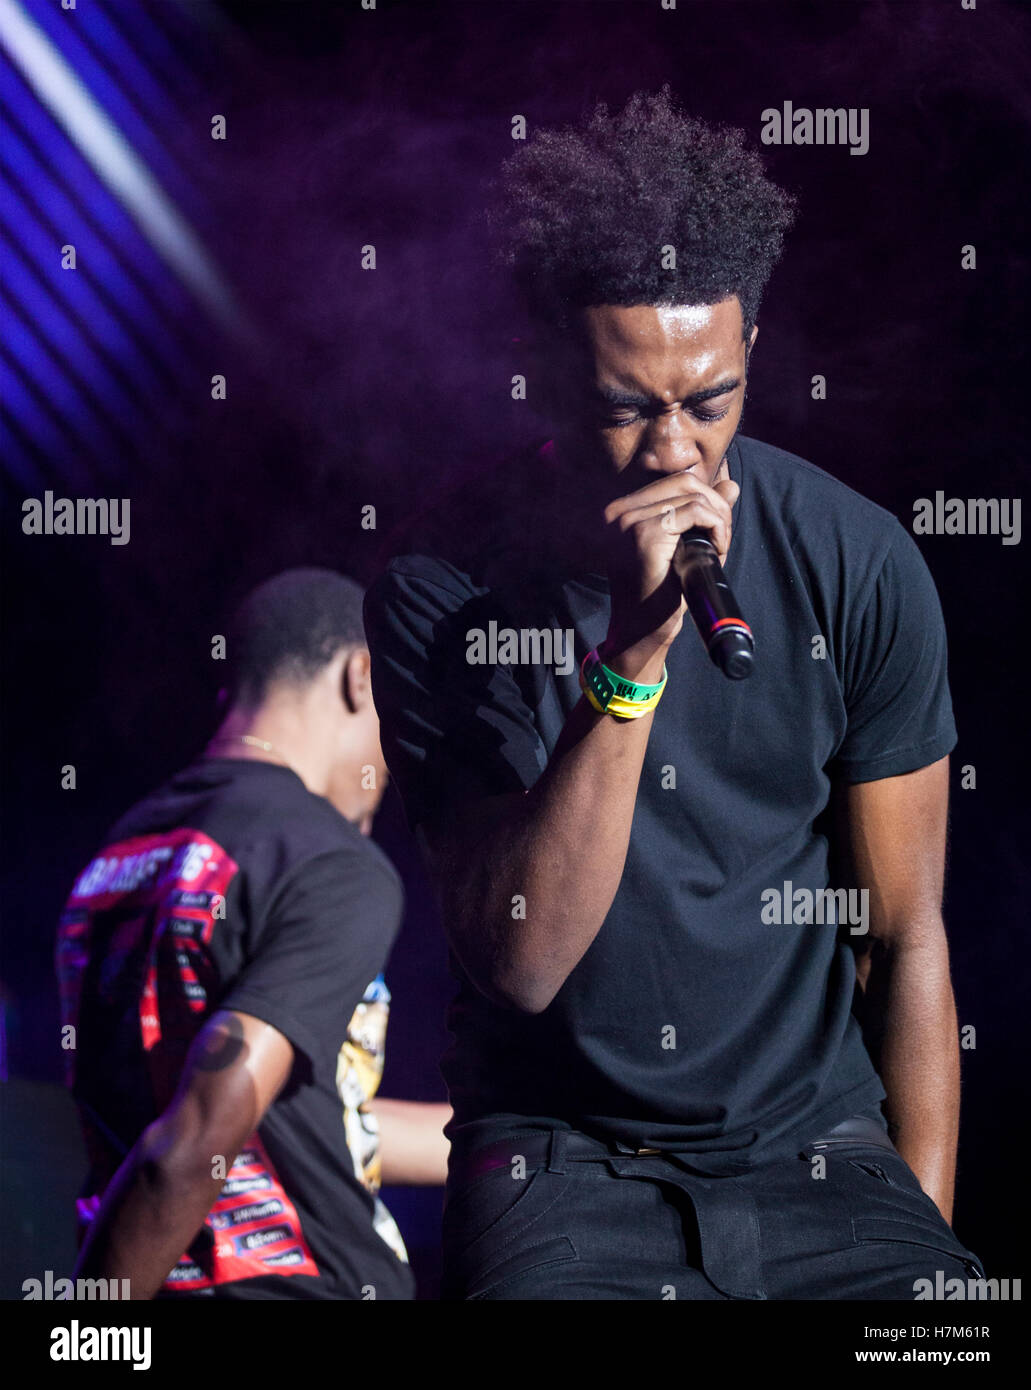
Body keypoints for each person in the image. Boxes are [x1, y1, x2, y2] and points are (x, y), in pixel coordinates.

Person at [362, 87, 986, 1300]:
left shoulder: (856, 562)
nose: (673, 452)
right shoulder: (441, 591)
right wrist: (633, 658)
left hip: (822, 1163)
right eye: (623, 408)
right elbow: (521, 960)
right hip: (563, 1172)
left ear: (750, 347)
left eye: (708, 401)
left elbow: (903, 940)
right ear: (538, 372)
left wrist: (923, 1241)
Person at [57, 568, 450, 1300]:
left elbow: (294, 1116)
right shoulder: (330, 861)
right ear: (361, 677)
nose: (391, 767)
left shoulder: (119, 854)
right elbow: (196, 1136)